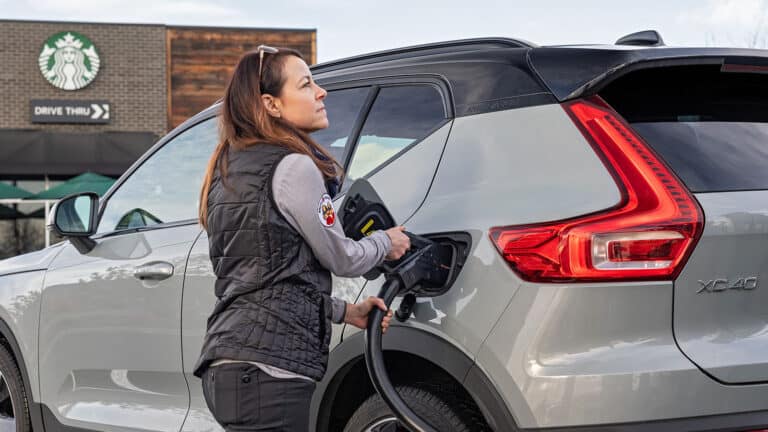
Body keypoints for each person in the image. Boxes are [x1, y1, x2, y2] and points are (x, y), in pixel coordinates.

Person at [193, 45, 411, 431]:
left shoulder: (227, 169)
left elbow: (269, 280)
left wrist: (346, 312)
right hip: (269, 372)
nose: (321, 92)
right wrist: (385, 242)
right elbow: (343, 258)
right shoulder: (293, 166)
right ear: (271, 104)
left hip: (229, 364)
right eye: (306, 84)